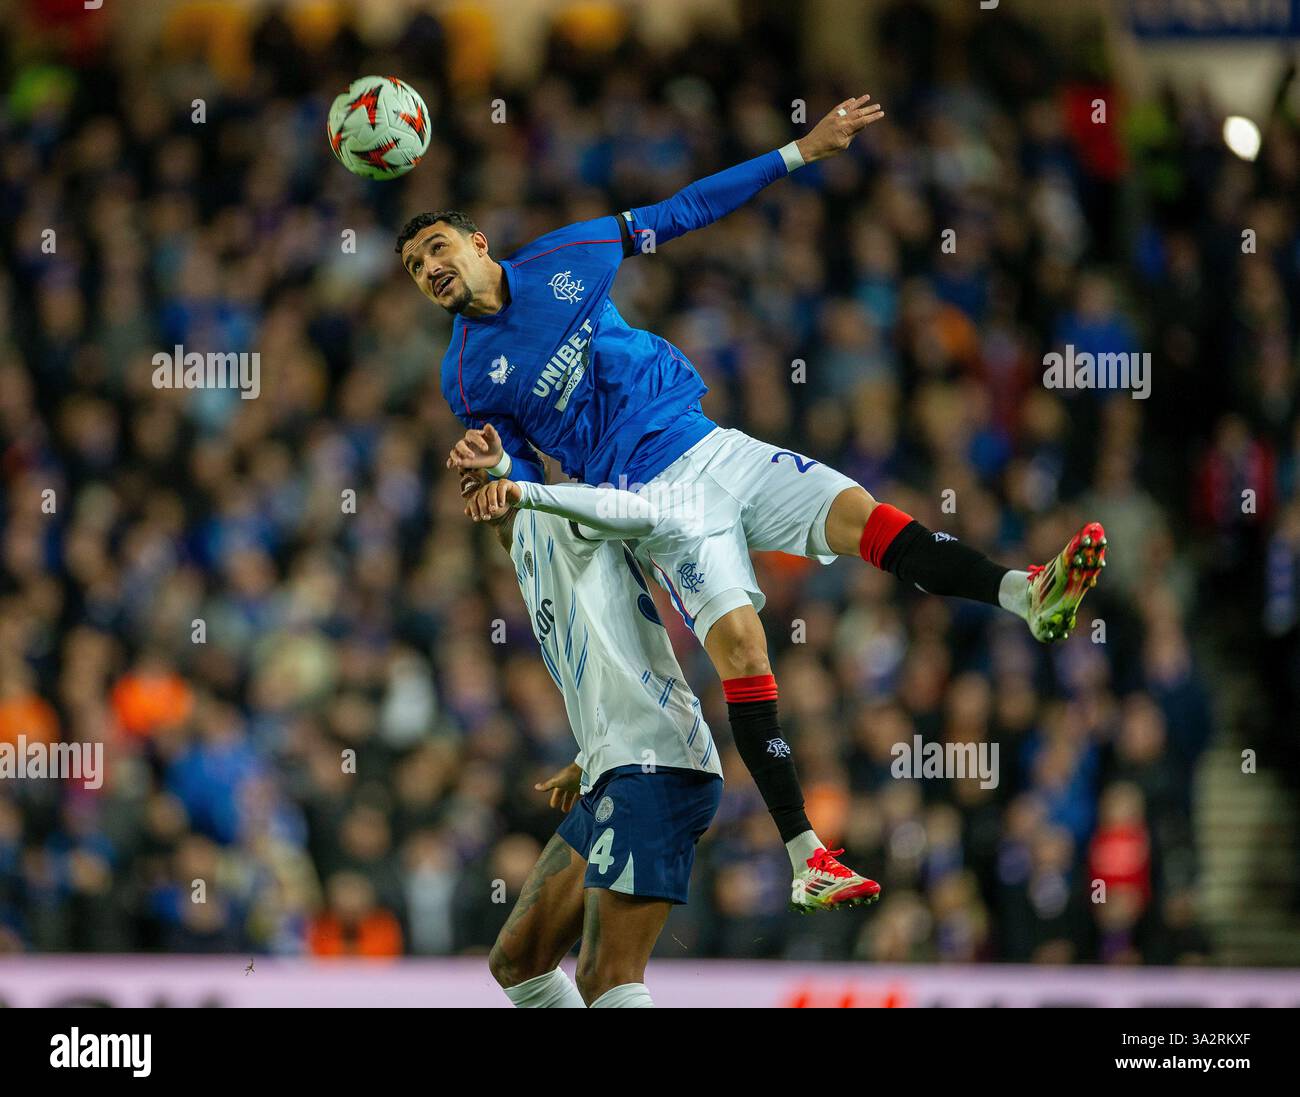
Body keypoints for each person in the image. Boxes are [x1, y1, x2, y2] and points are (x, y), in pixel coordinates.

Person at [401, 95, 1107, 909]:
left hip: (712, 441)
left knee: (864, 516)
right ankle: (807, 854)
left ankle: (1026, 594)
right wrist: (499, 482)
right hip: (651, 496)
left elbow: (685, 207)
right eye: (418, 268)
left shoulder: (572, 254)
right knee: (744, 645)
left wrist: (800, 152)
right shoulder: (465, 376)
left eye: (436, 248)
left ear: (477, 244)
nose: (430, 270)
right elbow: (532, 503)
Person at [461, 468, 869, 1008]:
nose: (481, 505)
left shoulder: (560, 517)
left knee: (606, 976)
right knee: (518, 962)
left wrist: (521, 484)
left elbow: (639, 512)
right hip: (614, 766)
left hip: (657, 765)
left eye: (486, 490)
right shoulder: (525, 556)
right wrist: (588, 755)